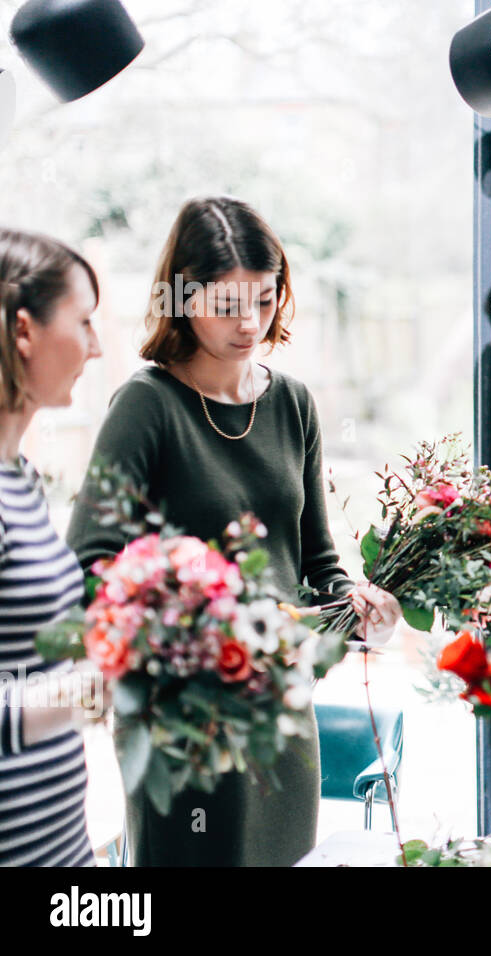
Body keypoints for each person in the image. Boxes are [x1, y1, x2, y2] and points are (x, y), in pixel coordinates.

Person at [65, 197, 401, 866]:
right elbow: (88, 565)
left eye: (266, 299)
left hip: (283, 716)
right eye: (227, 305)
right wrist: (195, 630)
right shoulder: (146, 407)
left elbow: (315, 558)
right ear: (183, 299)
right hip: (183, 722)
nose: (250, 323)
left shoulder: (293, 403)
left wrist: (360, 608)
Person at [0, 228, 104, 866]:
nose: (95, 347)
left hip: (61, 851)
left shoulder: (21, 479)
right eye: (84, 321)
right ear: (24, 331)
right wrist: (100, 687)